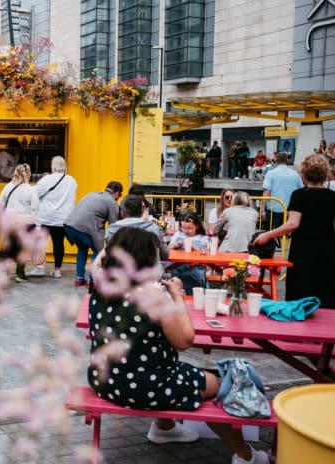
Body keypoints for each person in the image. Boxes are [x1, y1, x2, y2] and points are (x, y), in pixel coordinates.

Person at [89, 227, 269, 464]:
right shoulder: (153, 297)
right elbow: (184, 340)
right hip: (146, 387)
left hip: (105, 381)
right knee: (220, 383)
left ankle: (165, 428)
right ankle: (246, 456)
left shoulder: (99, 288)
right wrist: (176, 297)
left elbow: (99, 261)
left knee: (164, 368)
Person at [254, 154, 335, 308]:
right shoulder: (332, 196)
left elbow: (292, 224)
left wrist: (267, 234)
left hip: (303, 249)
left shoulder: (299, 195)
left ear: (304, 173)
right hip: (328, 249)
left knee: (300, 292)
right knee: (325, 291)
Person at [63, 181, 122, 286]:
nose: (119, 198)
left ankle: (79, 278)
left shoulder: (91, 194)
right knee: (98, 251)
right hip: (85, 228)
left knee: (82, 248)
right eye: (120, 195)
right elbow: (113, 226)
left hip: (69, 225)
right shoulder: (112, 202)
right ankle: (92, 280)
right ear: (117, 193)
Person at [29, 156, 77, 278]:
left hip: (46, 217)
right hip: (62, 219)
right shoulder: (72, 181)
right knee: (59, 244)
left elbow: (34, 194)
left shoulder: (47, 179)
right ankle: (57, 270)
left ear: (53, 166)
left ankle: (39, 268)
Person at [0, 164, 37, 282]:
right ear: (28, 174)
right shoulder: (31, 189)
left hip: (10, 221)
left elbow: (1, 204)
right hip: (25, 222)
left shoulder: (8, 186)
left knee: (9, 246)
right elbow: (35, 208)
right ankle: (20, 274)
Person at [105, 194, 169, 262]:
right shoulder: (153, 228)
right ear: (142, 211)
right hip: (149, 268)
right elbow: (165, 254)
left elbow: (108, 253)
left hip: (120, 268)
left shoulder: (112, 230)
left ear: (122, 212)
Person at [167, 212, 209, 294]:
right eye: (184, 228)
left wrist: (194, 248)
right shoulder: (178, 235)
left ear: (197, 226)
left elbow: (206, 253)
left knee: (196, 274)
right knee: (173, 274)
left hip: (195, 265)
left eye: (190, 228)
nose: (186, 231)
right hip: (176, 265)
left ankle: (196, 294)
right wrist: (175, 245)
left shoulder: (202, 237)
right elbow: (167, 249)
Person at [261, 152, 303, 229]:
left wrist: (262, 209)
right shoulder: (296, 174)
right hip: (290, 211)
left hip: (274, 210)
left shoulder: (271, 173)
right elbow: (301, 191)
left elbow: (267, 191)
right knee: (287, 234)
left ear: (276, 160)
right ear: (287, 160)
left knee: (273, 233)